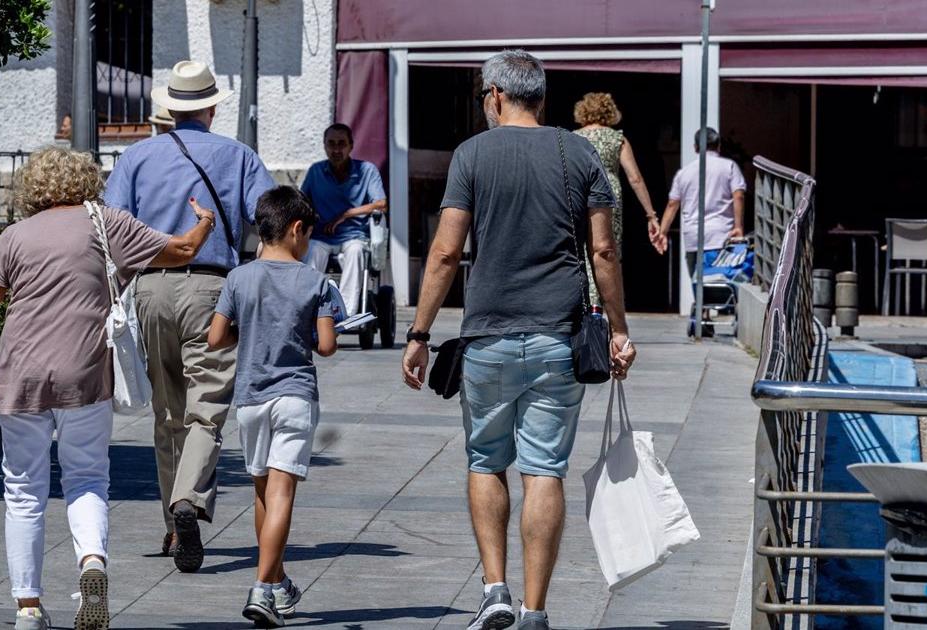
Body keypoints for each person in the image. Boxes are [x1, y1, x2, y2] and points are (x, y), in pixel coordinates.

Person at [0, 147, 215, 630]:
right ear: (85, 182)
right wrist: (204, 223)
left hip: (23, 377)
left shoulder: (14, 237)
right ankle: (92, 563)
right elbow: (182, 250)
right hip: (85, 374)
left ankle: (28, 608)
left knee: (23, 491)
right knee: (87, 478)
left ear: (33, 188)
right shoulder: (106, 223)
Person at [400, 51, 637, 630]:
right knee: (545, 469)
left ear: (498, 96)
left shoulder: (472, 156)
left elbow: (446, 252)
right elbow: (603, 251)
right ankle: (535, 609)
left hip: (487, 338)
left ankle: (496, 590)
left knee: (486, 460)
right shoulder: (578, 152)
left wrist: (420, 333)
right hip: (560, 338)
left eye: (485, 92)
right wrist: (620, 328)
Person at [102, 59, 275, 572]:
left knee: (167, 410)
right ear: (213, 106)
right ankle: (189, 502)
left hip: (150, 287)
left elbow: (111, 229)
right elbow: (273, 220)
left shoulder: (136, 157)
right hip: (213, 288)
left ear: (170, 108)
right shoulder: (238, 155)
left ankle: (172, 528)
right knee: (208, 405)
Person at [207, 186, 337, 627]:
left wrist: (252, 333)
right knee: (283, 493)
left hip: (250, 398)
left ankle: (277, 582)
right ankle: (262, 588)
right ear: (297, 229)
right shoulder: (316, 281)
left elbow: (215, 338)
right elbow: (326, 345)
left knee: (262, 491)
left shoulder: (238, 278)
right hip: (294, 395)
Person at [301, 123, 387, 315]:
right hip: (323, 235)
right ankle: (310, 307)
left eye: (341, 144)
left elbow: (381, 203)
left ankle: (345, 312)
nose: (336, 149)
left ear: (351, 146)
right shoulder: (316, 171)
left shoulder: (367, 170)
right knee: (313, 251)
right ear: (324, 145)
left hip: (354, 235)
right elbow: (301, 201)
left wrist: (346, 214)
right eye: (331, 144)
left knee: (355, 252)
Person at [573, 92, 665, 261]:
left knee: (581, 243)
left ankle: (587, 285)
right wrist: (651, 215)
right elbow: (635, 178)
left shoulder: (573, 138)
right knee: (608, 244)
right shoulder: (617, 138)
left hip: (580, 192)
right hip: (609, 192)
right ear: (610, 112)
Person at [657, 127, 747, 274]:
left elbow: (672, 204)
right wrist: (738, 226)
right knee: (721, 289)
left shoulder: (683, 173)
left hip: (694, 239)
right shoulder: (729, 167)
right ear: (719, 146)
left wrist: (663, 232)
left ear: (695, 148)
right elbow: (738, 196)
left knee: (698, 289)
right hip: (721, 236)